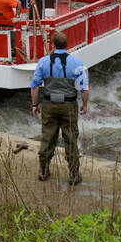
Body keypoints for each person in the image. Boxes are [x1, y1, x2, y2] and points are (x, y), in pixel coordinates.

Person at [29, 30, 89, 184]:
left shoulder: (43, 62)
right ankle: (74, 174)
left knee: (47, 137)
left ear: (53, 44)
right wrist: (85, 105)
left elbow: (35, 86)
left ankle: (43, 170)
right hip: (69, 105)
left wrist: (35, 105)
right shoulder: (77, 63)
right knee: (70, 138)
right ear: (67, 45)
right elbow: (84, 88)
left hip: (49, 104)